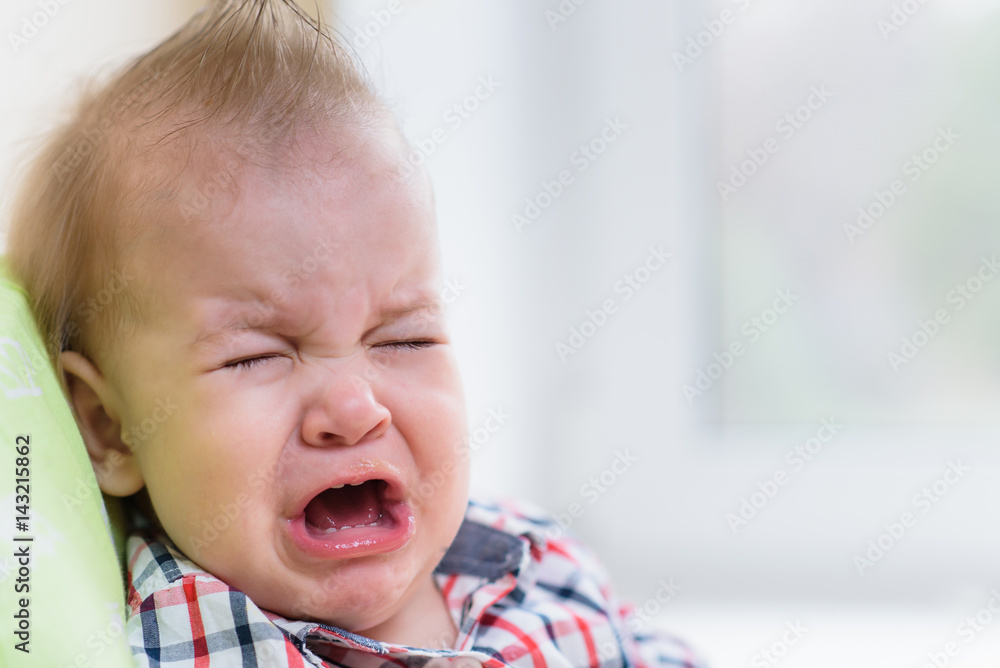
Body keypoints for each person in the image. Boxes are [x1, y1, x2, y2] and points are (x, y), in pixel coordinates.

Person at [6, 1, 699, 665]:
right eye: (257, 355)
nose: (353, 408)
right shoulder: (180, 633)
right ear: (106, 426)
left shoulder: (533, 556)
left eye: (406, 340)